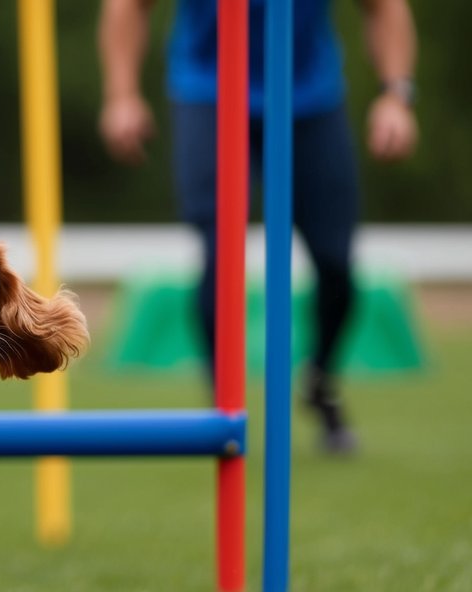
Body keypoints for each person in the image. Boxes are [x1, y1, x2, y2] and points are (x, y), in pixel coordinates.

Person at [97, 0, 418, 453]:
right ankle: (224, 414)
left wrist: (396, 95)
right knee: (220, 253)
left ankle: (321, 378)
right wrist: (121, 95)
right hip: (208, 92)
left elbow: (385, 8)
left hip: (310, 96)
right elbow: (127, 7)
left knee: (335, 261)